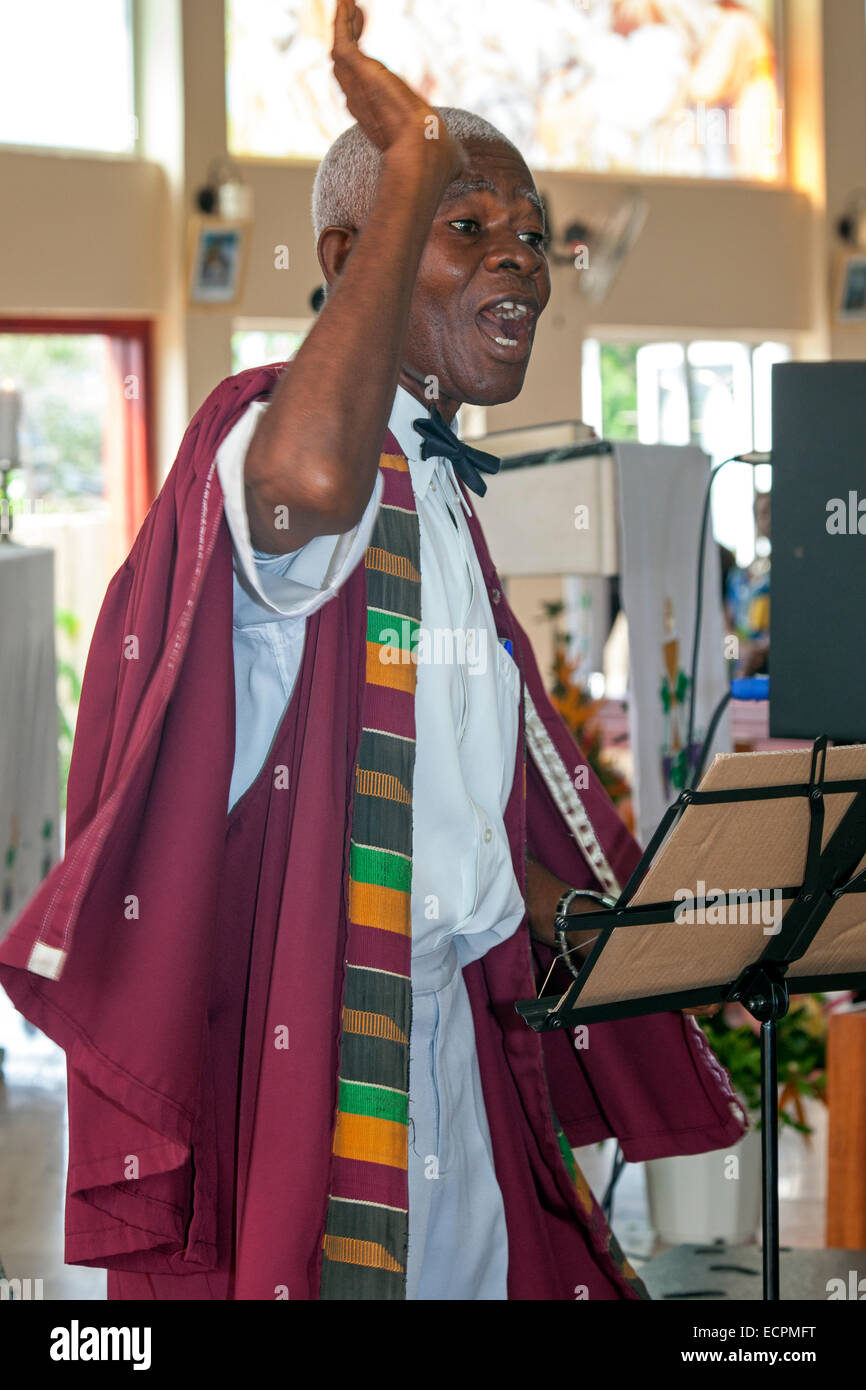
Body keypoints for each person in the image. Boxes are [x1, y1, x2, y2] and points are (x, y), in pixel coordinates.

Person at [0, 0, 744, 1301]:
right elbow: (304, 479)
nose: (519, 262)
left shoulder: (435, 486)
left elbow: (438, 802)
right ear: (357, 251)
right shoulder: (277, 443)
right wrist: (404, 166)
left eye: (530, 236)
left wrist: (646, 928)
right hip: (335, 1042)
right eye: (468, 228)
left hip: (452, 1022)